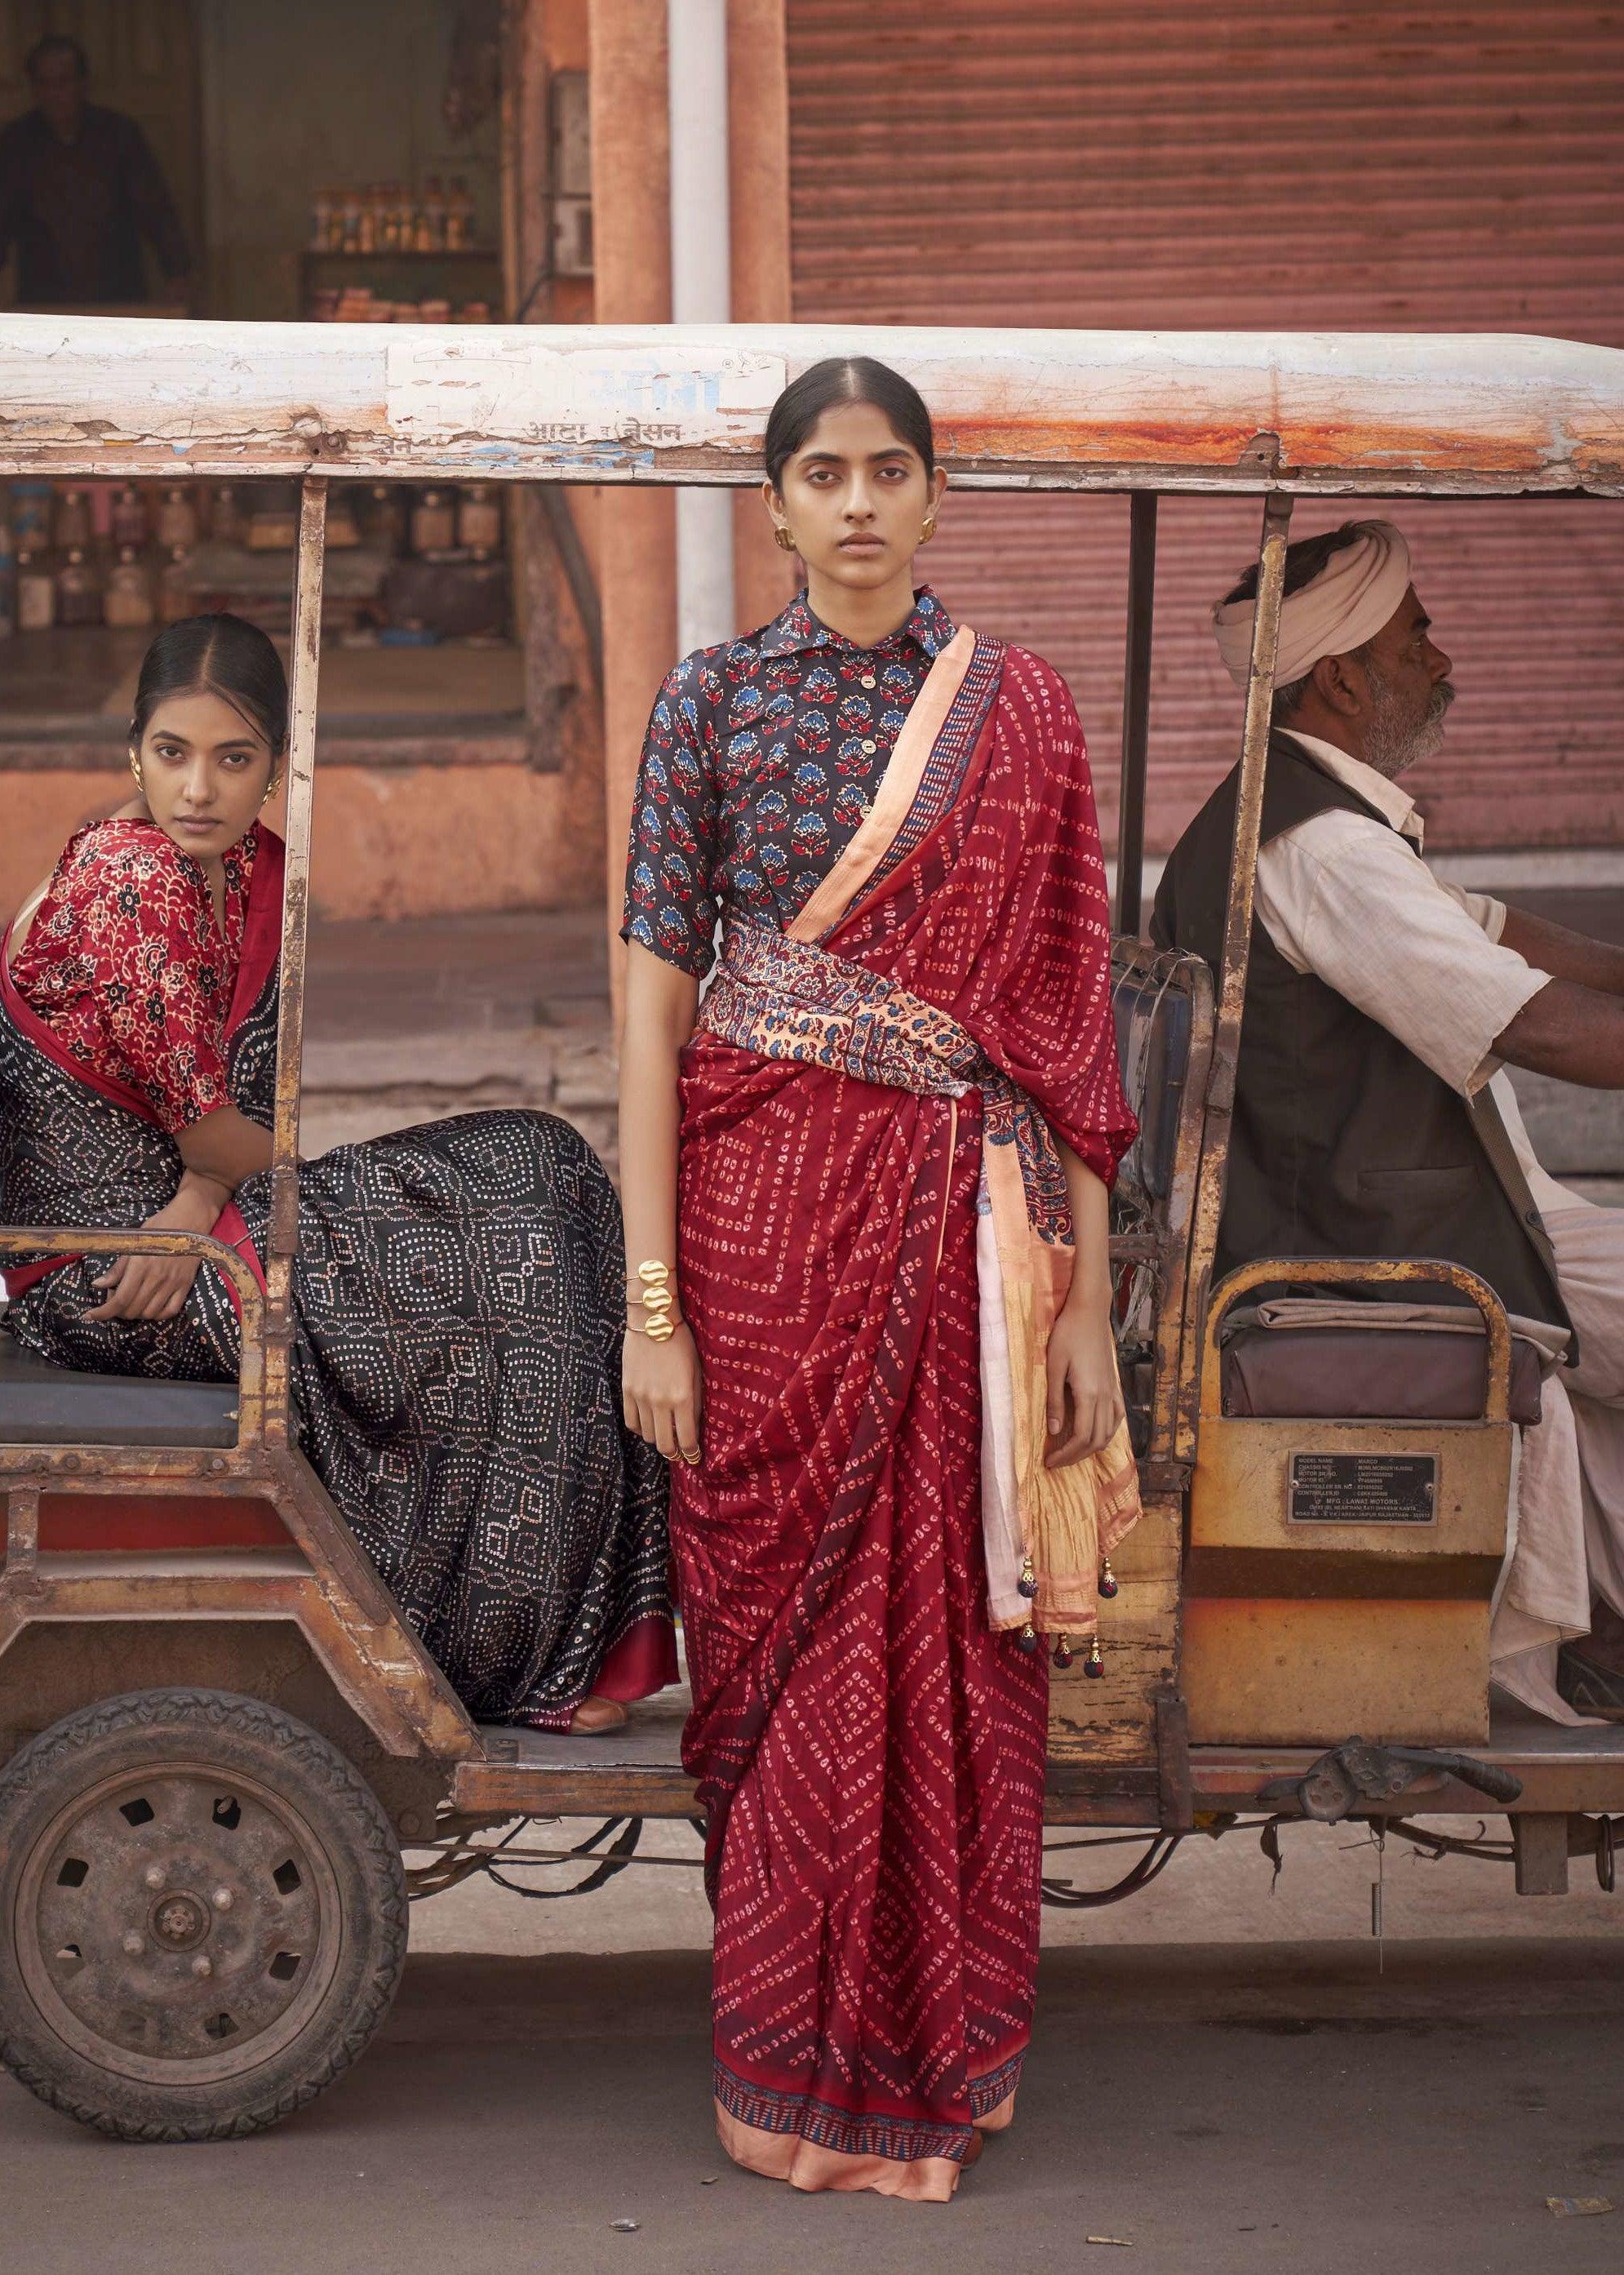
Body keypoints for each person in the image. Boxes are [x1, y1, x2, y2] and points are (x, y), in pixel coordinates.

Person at [618, 358, 1139, 2199]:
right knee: (776, 1651)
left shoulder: (1023, 715)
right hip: (761, 1258)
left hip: (963, 1253)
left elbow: (1067, 1015)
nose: (853, 502)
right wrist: (650, 1300)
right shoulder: (705, 708)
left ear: (932, 497)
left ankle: (939, 2052)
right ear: (770, 506)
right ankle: (785, 2065)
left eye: (886, 471)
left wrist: (1080, 1300)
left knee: (952, 1648)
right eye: (819, 473)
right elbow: (653, 1011)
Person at [0, 613, 674, 1732]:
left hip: (201, 1216)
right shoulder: (127, 876)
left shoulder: (244, 868)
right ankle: (506, 1651)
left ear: (275, 766)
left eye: (233, 757)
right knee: (497, 1253)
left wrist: (212, 1186)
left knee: (543, 1166)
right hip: (111, 1269)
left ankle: (591, 1635)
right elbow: (213, 1127)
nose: (198, 786)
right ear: (132, 751)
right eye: (171, 752)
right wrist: (214, 1184)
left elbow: (233, 1123)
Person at [1151, 519, 1624, 1722]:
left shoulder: (1316, 824)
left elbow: (1496, 928)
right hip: (1385, 1240)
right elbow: (1534, 1021)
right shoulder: (1320, 848)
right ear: (1346, 677)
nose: (1441, 655)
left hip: (1439, 1205)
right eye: (1417, 633)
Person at [0, 33, 190, 308]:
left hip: (116, 287)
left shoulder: (119, 135)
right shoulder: (16, 144)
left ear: (83, 83)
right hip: (45, 292)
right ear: (34, 88)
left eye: (63, 83)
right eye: (44, 84)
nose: (54, 94)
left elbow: (155, 208)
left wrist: (178, 272)